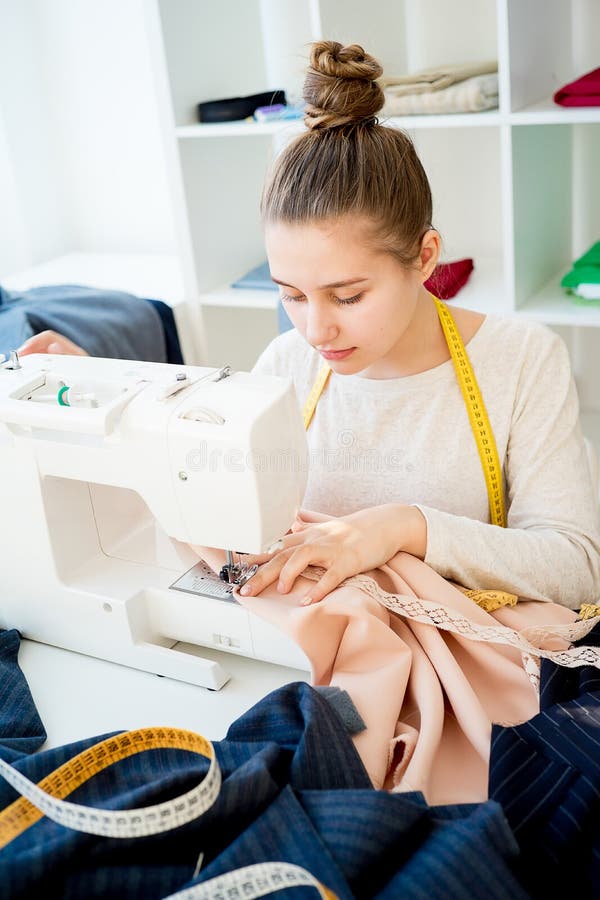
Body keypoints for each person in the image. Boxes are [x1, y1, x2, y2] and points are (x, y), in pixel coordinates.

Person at [230, 39, 600, 611]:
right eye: (292, 296)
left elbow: (576, 570)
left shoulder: (522, 360)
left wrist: (408, 529)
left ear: (425, 257)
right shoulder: (284, 365)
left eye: (348, 296)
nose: (315, 331)